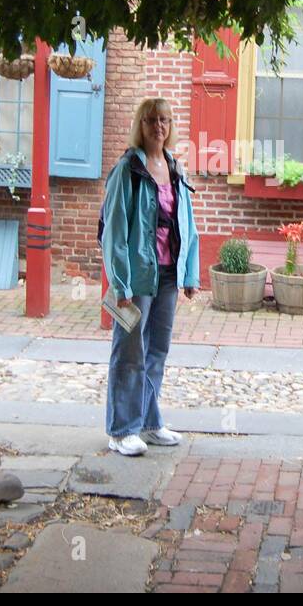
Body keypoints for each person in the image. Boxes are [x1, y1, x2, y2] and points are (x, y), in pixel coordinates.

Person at [99, 98, 200, 456]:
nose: (159, 126)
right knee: (129, 351)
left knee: (157, 348)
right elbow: (113, 231)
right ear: (140, 125)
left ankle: (149, 421)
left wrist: (190, 272)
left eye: (165, 120)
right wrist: (120, 283)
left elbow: (187, 223)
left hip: (169, 273)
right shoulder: (127, 170)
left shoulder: (175, 168)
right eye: (152, 120)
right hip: (137, 277)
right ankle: (121, 429)